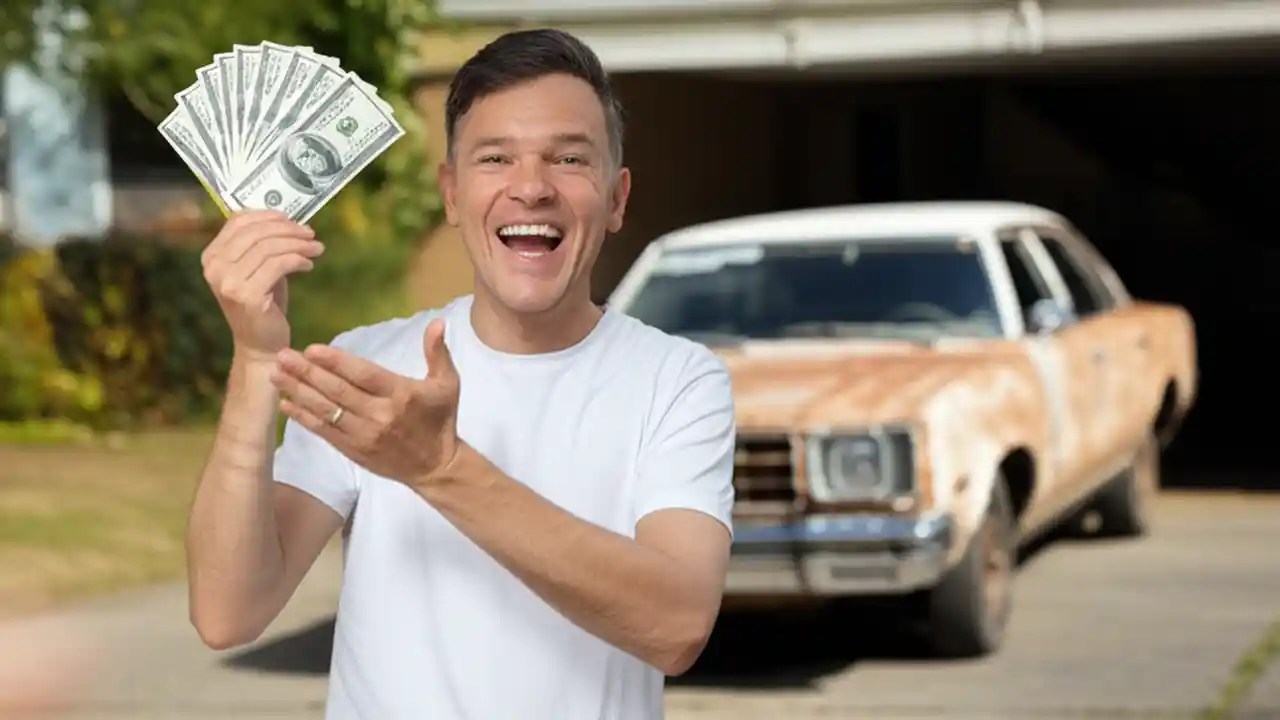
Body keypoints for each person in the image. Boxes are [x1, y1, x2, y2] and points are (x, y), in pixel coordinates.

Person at [186, 27, 736, 719]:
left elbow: (677, 625)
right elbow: (226, 612)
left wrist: (438, 467)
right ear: (451, 193)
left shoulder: (678, 381)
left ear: (617, 197)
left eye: (568, 158)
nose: (530, 188)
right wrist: (256, 357)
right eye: (495, 158)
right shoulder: (371, 366)